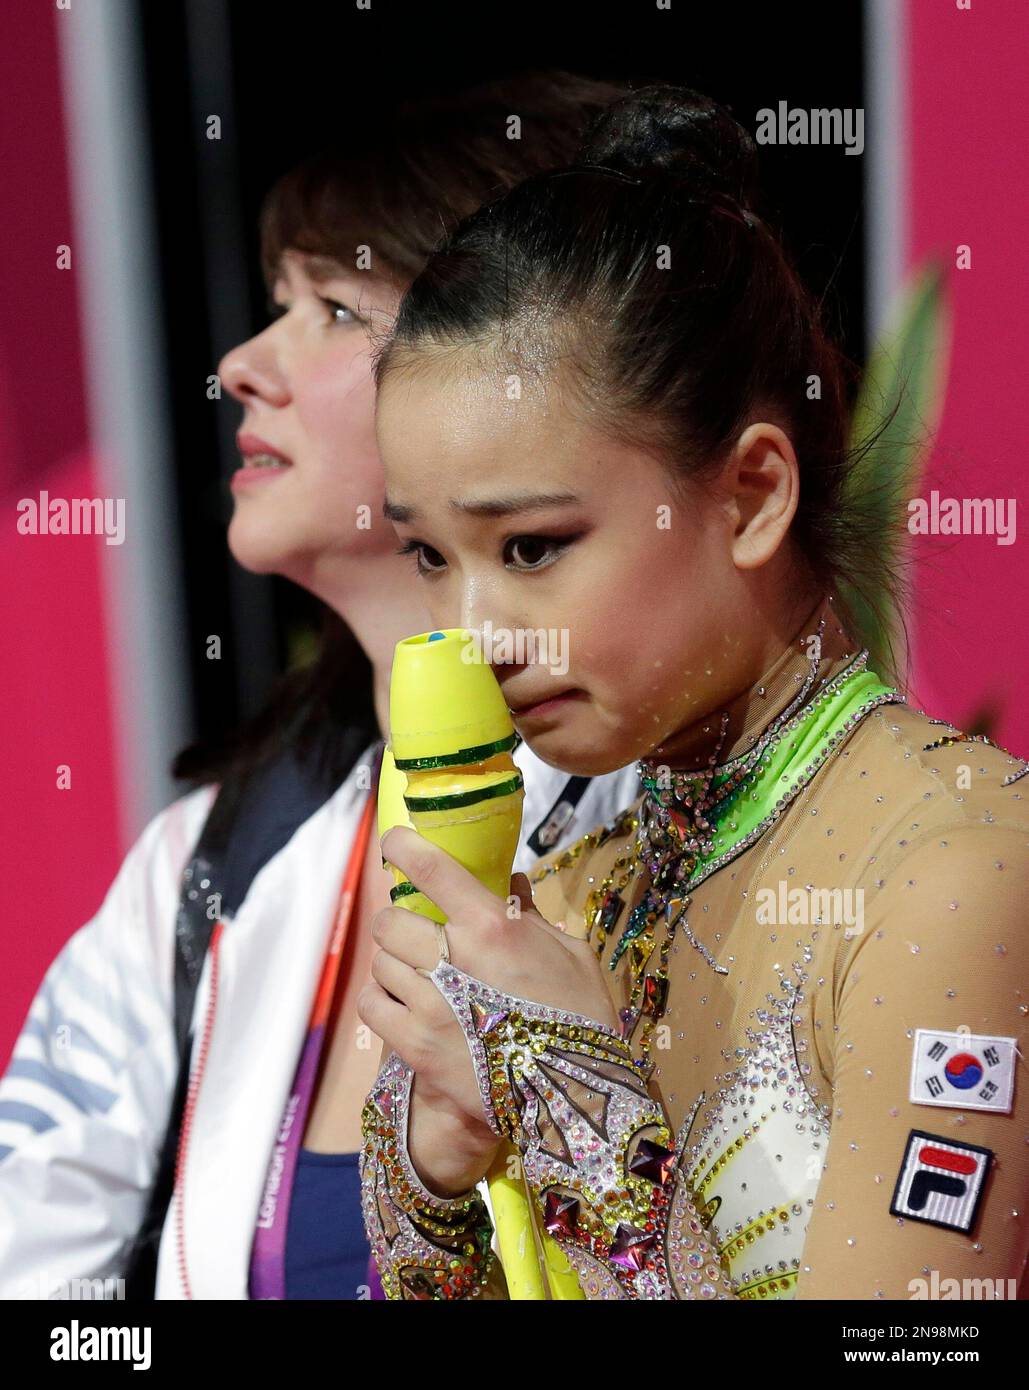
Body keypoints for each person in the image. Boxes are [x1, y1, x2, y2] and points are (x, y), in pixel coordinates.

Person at [357, 85, 1029, 1300]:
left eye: (533, 547)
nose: (474, 635)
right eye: (428, 556)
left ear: (753, 494)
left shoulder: (960, 873)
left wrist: (587, 1119)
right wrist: (438, 1182)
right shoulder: (570, 894)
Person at [0, 72, 644, 1301]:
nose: (245, 361)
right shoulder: (210, 858)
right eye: (275, 302)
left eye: (336, 310)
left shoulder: (697, 816)